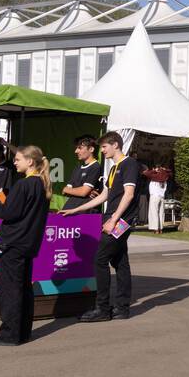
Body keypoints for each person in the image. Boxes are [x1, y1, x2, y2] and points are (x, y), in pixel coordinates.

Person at [60, 131, 139, 321]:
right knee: (120, 262)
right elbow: (104, 196)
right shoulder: (113, 169)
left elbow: (129, 194)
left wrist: (114, 220)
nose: (102, 151)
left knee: (100, 260)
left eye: (104, 147)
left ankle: (102, 308)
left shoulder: (129, 164)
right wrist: (76, 209)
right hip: (113, 218)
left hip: (120, 221)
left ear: (115, 145)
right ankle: (122, 308)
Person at [0, 145, 52, 346]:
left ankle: (9, 334)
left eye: (18, 159)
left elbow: (9, 213)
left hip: (12, 243)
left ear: (30, 161)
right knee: (23, 288)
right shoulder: (42, 184)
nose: (14, 162)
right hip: (27, 243)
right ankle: (22, 332)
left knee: (9, 290)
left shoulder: (24, 184)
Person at [60, 135, 103, 211]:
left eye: (80, 148)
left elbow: (83, 192)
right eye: (76, 148)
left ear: (91, 149)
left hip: (84, 212)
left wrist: (82, 191)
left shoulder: (95, 167)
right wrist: (81, 191)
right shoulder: (78, 168)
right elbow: (64, 191)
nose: (76, 151)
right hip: (69, 210)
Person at [143, 165, 172, 232]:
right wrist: (164, 170)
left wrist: (154, 170)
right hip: (162, 196)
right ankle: (160, 228)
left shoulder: (154, 176)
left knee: (154, 212)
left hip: (154, 196)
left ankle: (156, 228)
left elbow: (145, 173)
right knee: (161, 213)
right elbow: (170, 172)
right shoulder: (165, 176)